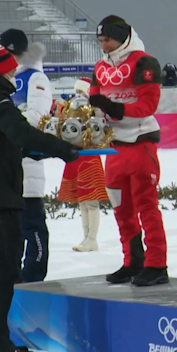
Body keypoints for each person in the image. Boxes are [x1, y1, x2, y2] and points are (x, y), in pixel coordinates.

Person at [0, 42, 80, 352]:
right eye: (10, 70)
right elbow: (21, 133)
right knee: (1, 271)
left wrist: (31, 150)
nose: (14, 74)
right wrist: (60, 147)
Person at [88, 15, 168, 286]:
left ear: (122, 38)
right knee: (122, 209)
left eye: (108, 40)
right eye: (100, 41)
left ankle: (157, 264)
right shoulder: (99, 67)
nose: (104, 46)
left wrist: (114, 108)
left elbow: (148, 105)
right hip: (113, 148)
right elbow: (94, 102)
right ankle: (132, 261)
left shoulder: (144, 62)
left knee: (146, 206)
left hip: (140, 143)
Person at [0, 28, 54, 283]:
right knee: (9, 227)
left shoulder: (36, 78)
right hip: (5, 162)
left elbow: (36, 117)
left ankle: (34, 274)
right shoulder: (1, 80)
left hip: (28, 162)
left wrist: (4, 127)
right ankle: (14, 273)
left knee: (31, 225)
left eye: (10, 53)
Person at [59, 77, 109, 252]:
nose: (78, 95)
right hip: (76, 157)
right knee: (82, 200)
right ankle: (86, 237)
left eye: (82, 91)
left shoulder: (95, 111)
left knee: (91, 200)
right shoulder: (71, 110)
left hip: (90, 158)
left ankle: (92, 238)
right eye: (77, 91)